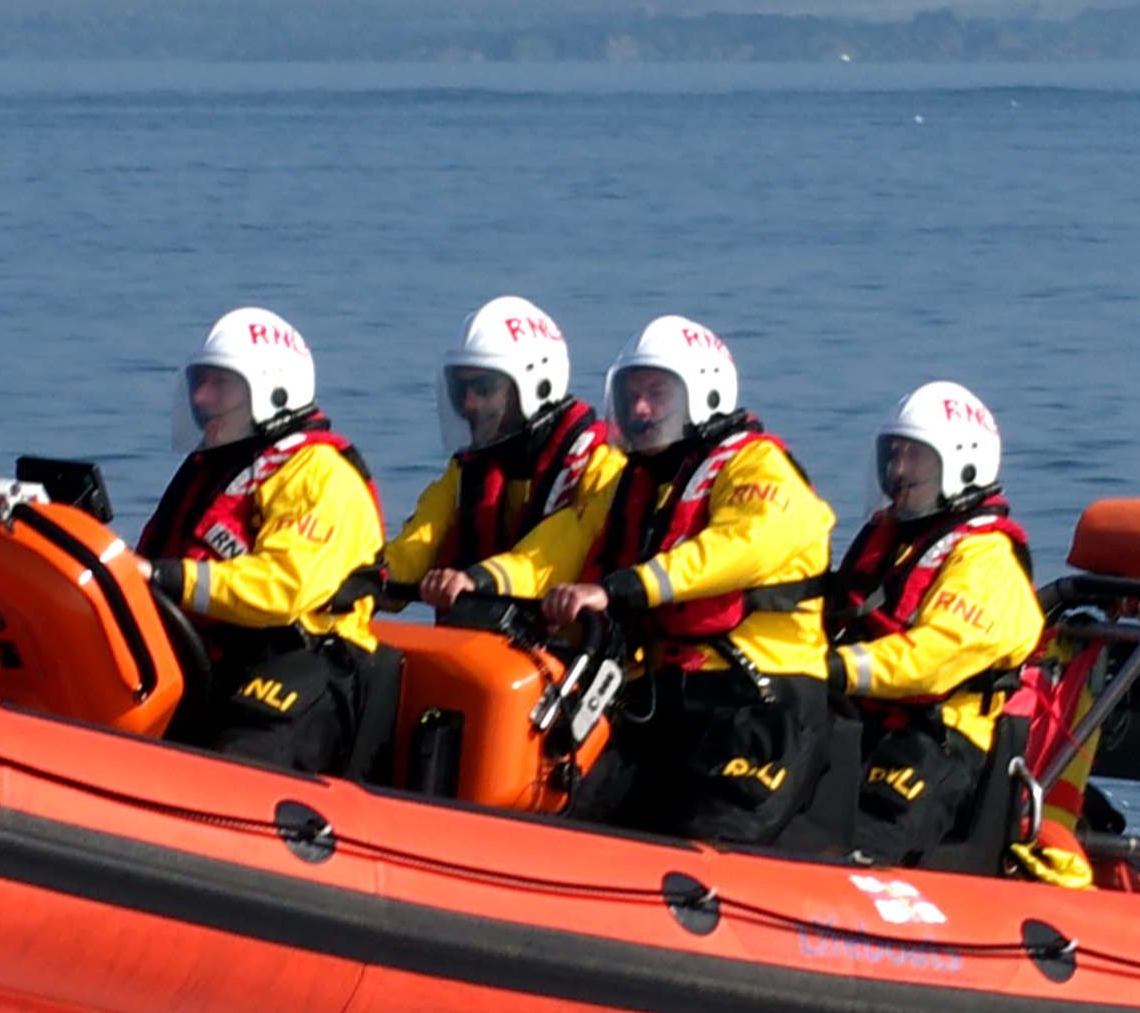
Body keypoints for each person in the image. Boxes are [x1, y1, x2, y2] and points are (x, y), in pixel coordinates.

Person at [542, 316, 841, 849]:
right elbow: (557, 545)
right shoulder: (633, 482)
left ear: (704, 394)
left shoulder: (760, 469)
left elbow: (734, 548)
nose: (639, 409)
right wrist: (477, 581)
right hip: (660, 700)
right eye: (630, 395)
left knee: (707, 835)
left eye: (656, 394)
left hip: (756, 703)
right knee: (573, 816)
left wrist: (621, 588)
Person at [135, 305, 386, 771]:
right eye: (199, 382)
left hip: (303, 664)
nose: (202, 398)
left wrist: (167, 578)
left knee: (230, 765)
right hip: (209, 658)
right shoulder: (213, 470)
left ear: (273, 391)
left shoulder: (318, 474)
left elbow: (284, 585)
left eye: (220, 384)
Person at [827, 381, 1046, 869]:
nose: (898, 471)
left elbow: (933, 658)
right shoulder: (893, 541)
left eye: (916, 458)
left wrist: (832, 668)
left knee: (864, 839)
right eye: (893, 454)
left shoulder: (986, 560)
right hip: (868, 723)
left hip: (941, 742)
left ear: (963, 465)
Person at [383, 295, 628, 620]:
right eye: (460, 389)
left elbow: (549, 557)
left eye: (484, 388)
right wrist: (370, 579)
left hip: (565, 641)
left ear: (537, 386)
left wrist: (478, 580)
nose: (469, 403)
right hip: (484, 639)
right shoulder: (467, 470)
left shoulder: (600, 465)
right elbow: (418, 540)